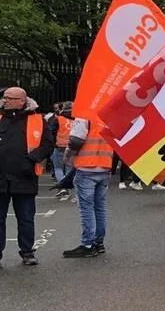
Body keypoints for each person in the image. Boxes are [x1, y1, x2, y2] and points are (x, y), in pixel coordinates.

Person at [0, 87, 54, 266]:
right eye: (4, 98)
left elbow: (47, 145)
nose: (5, 100)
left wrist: (31, 160)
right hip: (1, 178)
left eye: (9, 98)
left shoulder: (37, 119)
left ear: (22, 101)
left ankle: (27, 252)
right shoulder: (1, 117)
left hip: (25, 176)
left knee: (25, 218)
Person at [63, 114, 114, 258]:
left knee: (86, 208)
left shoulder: (84, 116)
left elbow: (75, 140)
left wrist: (67, 155)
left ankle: (88, 244)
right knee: (100, 207)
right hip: (104, 165)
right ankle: (99, 242)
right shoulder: (109, 116)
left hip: (86, 166)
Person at [51, 102, 72, 194]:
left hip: (59, 145)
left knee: (58, 168)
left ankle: (62, 186)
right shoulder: (76, 120)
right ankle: (66, 184)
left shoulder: (58, 119)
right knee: (68, 167)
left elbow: (51, 131)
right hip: (72, 146)